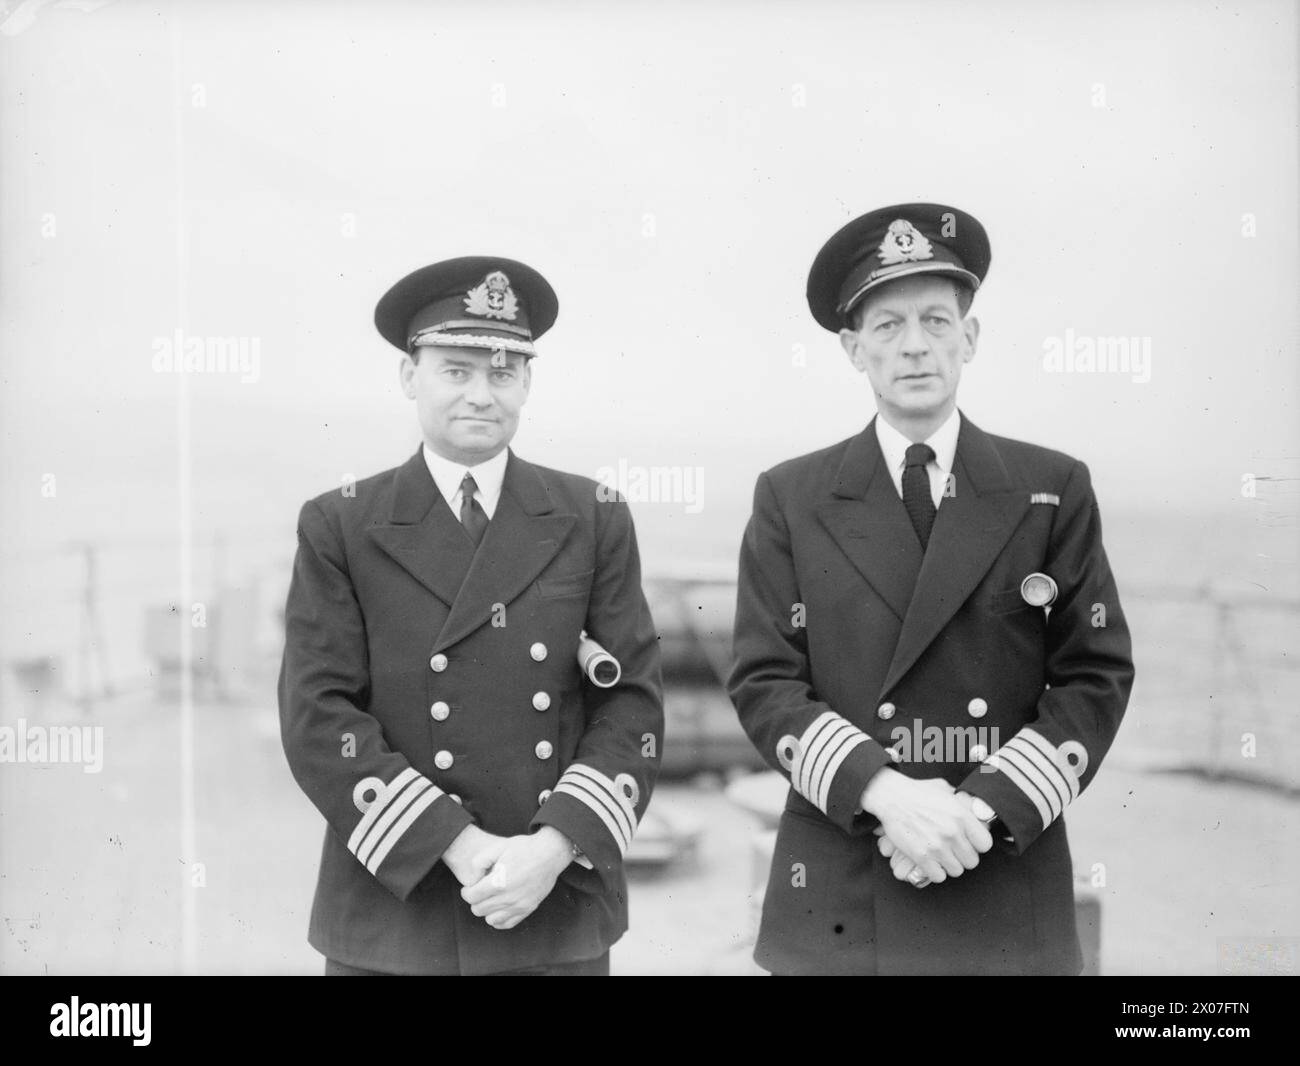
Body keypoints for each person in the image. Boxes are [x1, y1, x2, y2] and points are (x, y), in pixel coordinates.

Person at [728, 204, 1134, 975]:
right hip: (847, 875)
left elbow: (1094, 673)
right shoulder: (791, 495)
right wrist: (886, 795)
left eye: (936, 321)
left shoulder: (1051, 488)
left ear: (968, 339)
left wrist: (974, 813)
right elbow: (764, 678)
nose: (914, 346)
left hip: (1001, 863)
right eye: (886, 326)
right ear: (854, 349)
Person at [278, 256, 663, 975]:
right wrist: (460, 845)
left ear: (527, 382)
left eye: (503, 372)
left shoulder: (592, 515)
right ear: (409, 377)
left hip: (553, 907)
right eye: (457, 371)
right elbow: (317, 715)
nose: (482, 395)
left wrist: (551, 851)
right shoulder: (341, 523)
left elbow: (632, 709)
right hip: (398, 911)